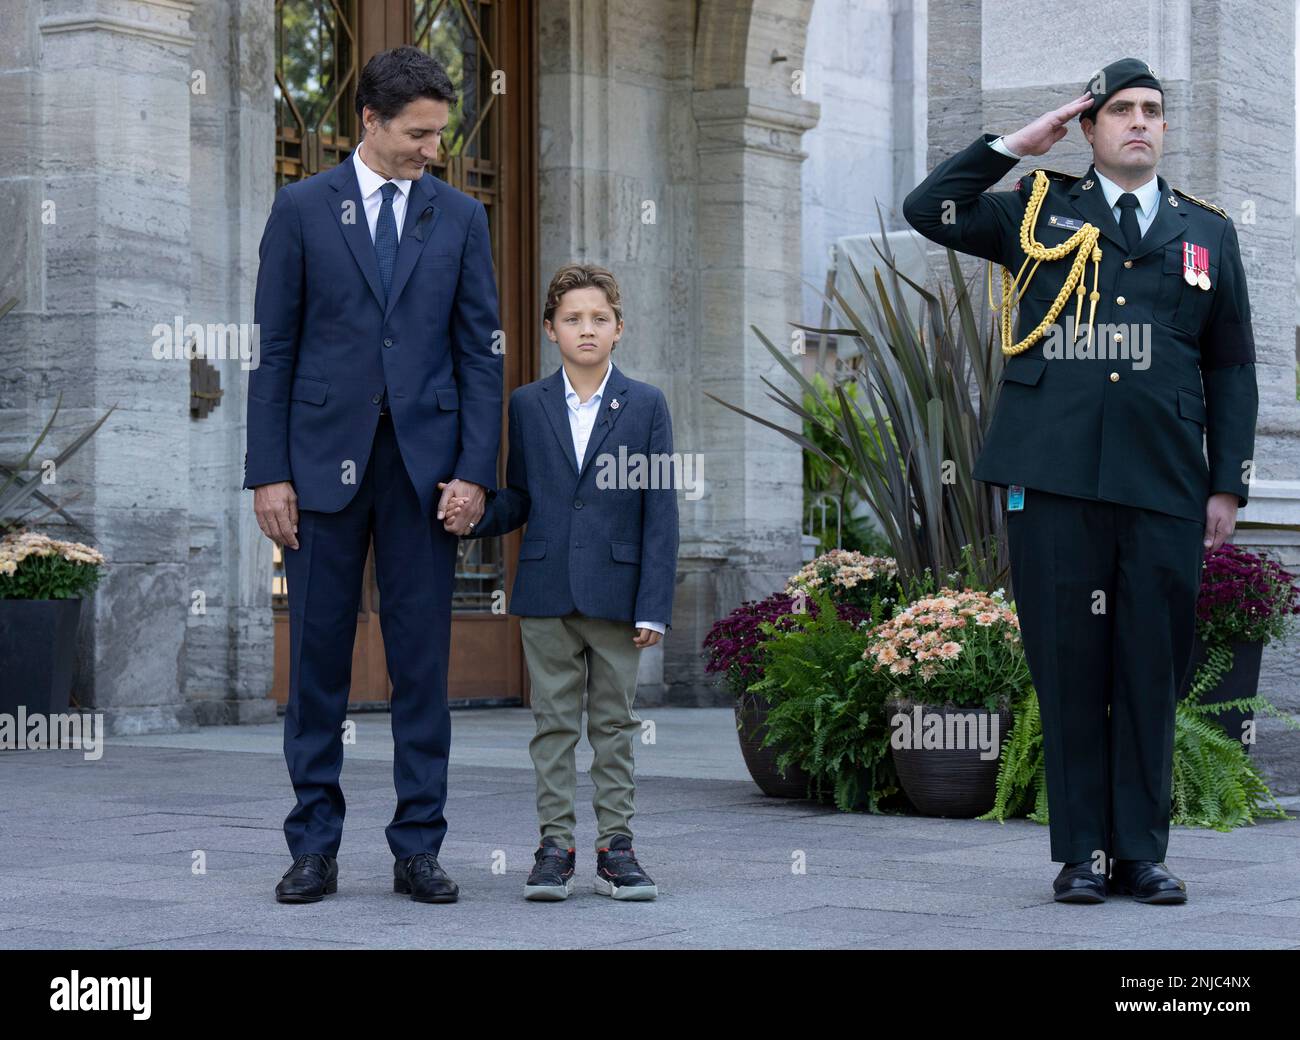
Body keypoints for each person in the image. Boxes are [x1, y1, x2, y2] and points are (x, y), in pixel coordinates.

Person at [902, 57, 1258, 905]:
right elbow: (929, 208)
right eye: (1121, 110)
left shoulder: (1207, 232)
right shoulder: (1036, 206)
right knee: (1067, 665)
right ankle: (1081, 856)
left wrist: (1227, 483)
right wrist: (1016, 144)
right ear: (1089, 127)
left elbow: (1232, 365)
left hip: (1165, 477)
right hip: (1053, 472)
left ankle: (1140, 854)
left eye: (1152, 111)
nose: (1139, 122)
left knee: (1151, 667)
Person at [244, 46, 502, 904]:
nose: (433, 149)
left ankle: (418, 848)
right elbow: (274, 350)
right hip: (319, 469)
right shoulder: (301, 208)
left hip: (426, 477)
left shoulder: (461, 218)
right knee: (316, 664)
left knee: (421, 668)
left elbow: (480, 355)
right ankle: (313, 848)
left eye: (439, 133)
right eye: (417, 134)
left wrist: (474, 473)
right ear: (370, 120)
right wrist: (268, 473)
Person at [445, 263, 679, 901]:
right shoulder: (527, 404)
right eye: (573, 319)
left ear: (619, 328)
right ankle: (555, 848)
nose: (587, 329)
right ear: (551, 329)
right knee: (552, 725)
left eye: (599, 318)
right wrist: (476, 515)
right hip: (547, 590)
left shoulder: (647, 404)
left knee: (614, 725)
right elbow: (521, 495)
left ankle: (616, 850)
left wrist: (654, 605)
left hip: (617, 595)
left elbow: (660, 512)